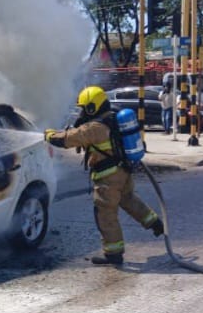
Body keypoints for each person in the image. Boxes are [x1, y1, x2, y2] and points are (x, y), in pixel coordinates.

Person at [45, 86, 163, 265]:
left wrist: (50, 135)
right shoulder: (112, 118)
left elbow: (69, 139)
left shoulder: (95, 127)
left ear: (93, 107)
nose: (82, 112)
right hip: (123, 172)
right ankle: (154, 222)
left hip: (108, 178)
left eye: (85, 108)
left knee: (105, 215)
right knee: (129, 200)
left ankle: (113, 254)